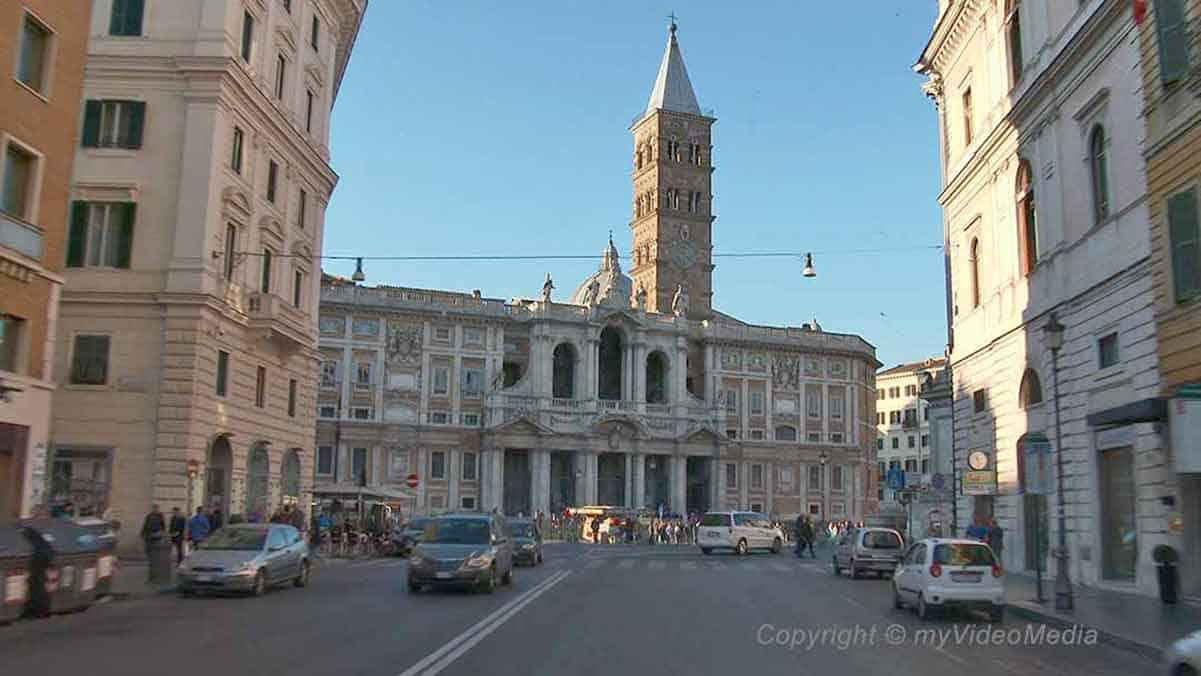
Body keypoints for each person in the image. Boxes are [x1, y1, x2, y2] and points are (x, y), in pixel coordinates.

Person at [140, 504, 166, 578]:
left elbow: (163, 525)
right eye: (154, 508)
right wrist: (142, 533)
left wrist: (162, 533)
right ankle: (151, 561)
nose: (155, 510)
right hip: (149, 535)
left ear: (158, 509)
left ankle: (155, 562)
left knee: (156, 549)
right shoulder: (149, 516)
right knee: (148, 549)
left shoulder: (160, 516)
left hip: (157, 535)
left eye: (156, 508)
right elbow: (145, 524)